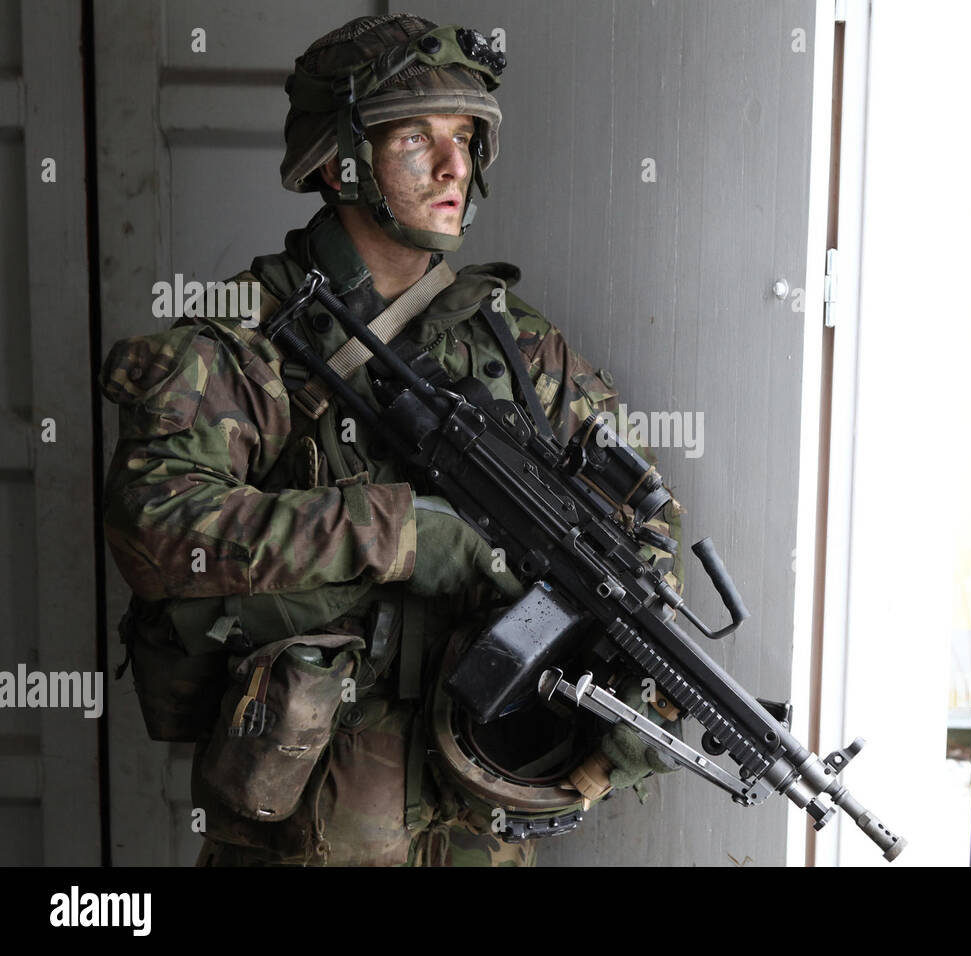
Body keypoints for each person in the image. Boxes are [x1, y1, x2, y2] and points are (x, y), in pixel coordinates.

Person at [100, 13, 681, 867]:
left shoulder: (519, 349)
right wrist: (405, 532)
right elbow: (154, 526)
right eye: (416, 138)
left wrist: (638, 708)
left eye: (467, 137)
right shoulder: (248, 337)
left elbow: (637, 537)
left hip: (478, 830)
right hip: (305, 839)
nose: (455, 167)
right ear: (341, 157)